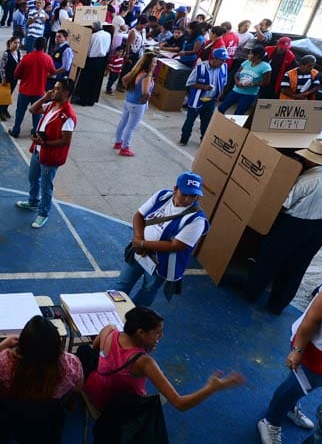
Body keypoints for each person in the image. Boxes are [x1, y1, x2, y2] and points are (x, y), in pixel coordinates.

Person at [242, 139, 322, 314]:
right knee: (297, 267)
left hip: (294, 225)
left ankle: (250, 293)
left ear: (313, 160)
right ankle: (277, 305)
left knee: (269, 260)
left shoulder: (306, 180)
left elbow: (284, 204)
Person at [84, 306, 244, 413]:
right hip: (119, 408)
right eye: (157, 332)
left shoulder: (109, 330)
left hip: (96, 389)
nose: (161, 336)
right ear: (140, 333)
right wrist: (212, 388)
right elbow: (180, 403)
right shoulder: (144, 362)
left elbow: (95, 349)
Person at [257, 274, 322, 444]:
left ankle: (288, 407)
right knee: (297, 386)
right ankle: (270, 421)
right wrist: (298, 350)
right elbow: (312, 318)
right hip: (317, 348)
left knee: (313, 384)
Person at [114, 172, 210, 306]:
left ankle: (134, 315)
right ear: (175, 189)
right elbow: (139, 215)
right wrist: (139, 238)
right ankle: (110, 308)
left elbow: (175, 246)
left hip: (160, 263)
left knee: (148, 290)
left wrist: (142, 244)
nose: (188, 199)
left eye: (193, 196)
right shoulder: (162, 196)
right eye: (184, 194)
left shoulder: (197, 220)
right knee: (122, 285)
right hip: (139, 253)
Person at [14, 78, 77, 229]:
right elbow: (32, 110)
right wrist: (45, 97)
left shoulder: (68, 115)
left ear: (65, 93)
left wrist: (45, 143)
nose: (53, 90)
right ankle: (33, 202)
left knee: (46, 186)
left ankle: (43, 213)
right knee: (33, 178)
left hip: (50, 156)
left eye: (57, 89)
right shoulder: (51, 105)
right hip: (39, 151)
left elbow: (65, 141)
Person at [0, 316, 82, 402]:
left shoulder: (5, 362)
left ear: (22, 344)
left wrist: (2, 345)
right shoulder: (72, 364)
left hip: (13, 409)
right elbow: (77, 388)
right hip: (47, 411)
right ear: (56, 344)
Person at [181, 48, 228, 146]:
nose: (223, 62)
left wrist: (220, 93)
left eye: (224, 60)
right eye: (221, 60)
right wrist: (204, 87)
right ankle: (184, 139)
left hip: (210, 100)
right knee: (190, 120)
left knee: (206, 122)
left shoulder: (224, 67)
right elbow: (190, 83)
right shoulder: (200, 67)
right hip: (198, 99)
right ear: (214, 58)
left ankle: (203, 140)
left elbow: (224, 82)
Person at [113, 51, 156, 157]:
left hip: (128, 100)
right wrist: (145, 100)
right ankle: (125, 148)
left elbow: (124, 79)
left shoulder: (137, 71)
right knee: (131, 127)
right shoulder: (146, 76)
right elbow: (145, 92)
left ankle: (118, 142)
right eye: (154, 62)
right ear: (149, 63)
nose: (155, 64)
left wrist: (130, 89)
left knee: (123, 122)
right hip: (137, 104)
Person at [9, 37, 54, 138]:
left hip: (25, 89)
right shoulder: (48, 58)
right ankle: (35, 131)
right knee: (37, 112)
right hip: (39, 90)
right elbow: (52, 72)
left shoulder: (27, 57)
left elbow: (16, 73)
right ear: (45, 47)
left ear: (34, 45)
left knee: (20, 111)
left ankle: (16, 130)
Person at [218, 46, 270, 115]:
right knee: (221, 108)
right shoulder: (246, 62)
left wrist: (252, 84)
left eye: (251, 54)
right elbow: (237, 73)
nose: (248, 55)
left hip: (249, 94)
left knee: (239, 114)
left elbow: (266, 82)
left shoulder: (266, 67)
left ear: (257, 56)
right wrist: (237, 82)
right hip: (236, 90)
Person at [74, 21, 111, 106]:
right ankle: (91, 100)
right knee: (96, 81)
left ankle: (83, 100)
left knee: (87, 80)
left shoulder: (93, 36)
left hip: (91, 60)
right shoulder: (108, 35)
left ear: (94, 28)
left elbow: (88, 49)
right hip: (102, 59)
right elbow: (108, 48)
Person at [0, 37, 22, 120]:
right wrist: (3, 78)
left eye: (18, 43)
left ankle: (5, 109)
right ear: (10, 43)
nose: (17, 44)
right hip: (6, 77)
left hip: (14, 78)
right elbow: (2, 67)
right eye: (15, 42)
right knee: (2, 95)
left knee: (9, 95)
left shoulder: (19, 53)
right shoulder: (6, 53)